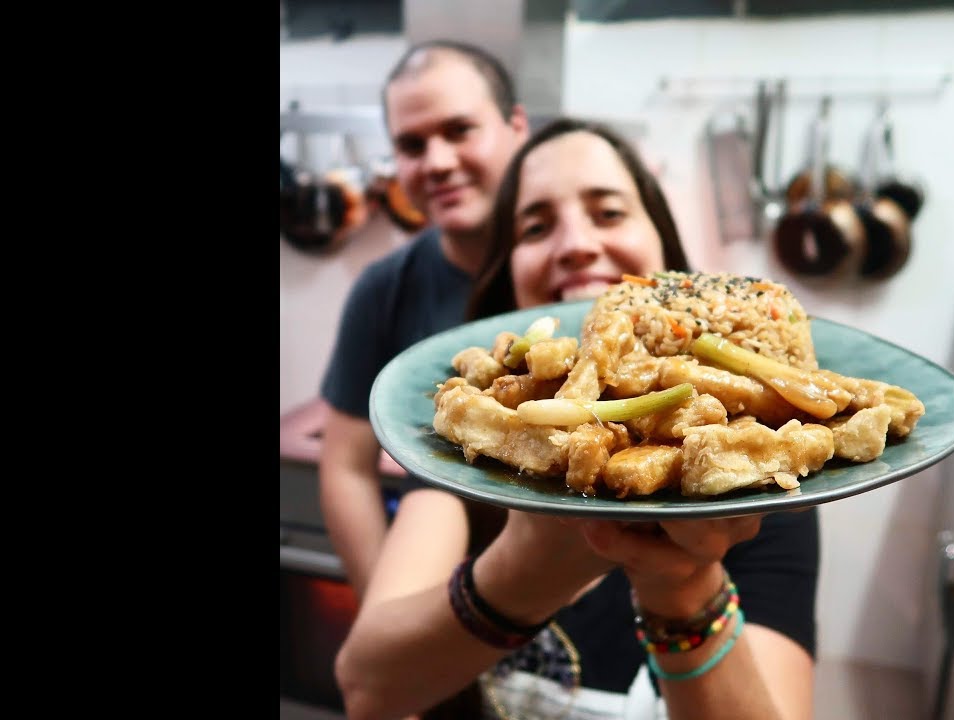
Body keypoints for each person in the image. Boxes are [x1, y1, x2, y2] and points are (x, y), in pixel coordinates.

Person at [334, 118, 821, 720]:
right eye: (535, 227)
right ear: (508, 275)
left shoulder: (763, 473)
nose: (576, 243)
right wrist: (531, 566)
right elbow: (367, 688)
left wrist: (683, 586)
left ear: (666, 252)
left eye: (609, 213)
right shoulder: (466, 453)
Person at [317, 39, 530, 604]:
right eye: (411, 145)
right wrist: (384, 613)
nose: (436, 162)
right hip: (439, 583)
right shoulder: (383, 289)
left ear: (516, 127)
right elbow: (345, 466)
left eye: (459, 130)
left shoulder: (575, 271)